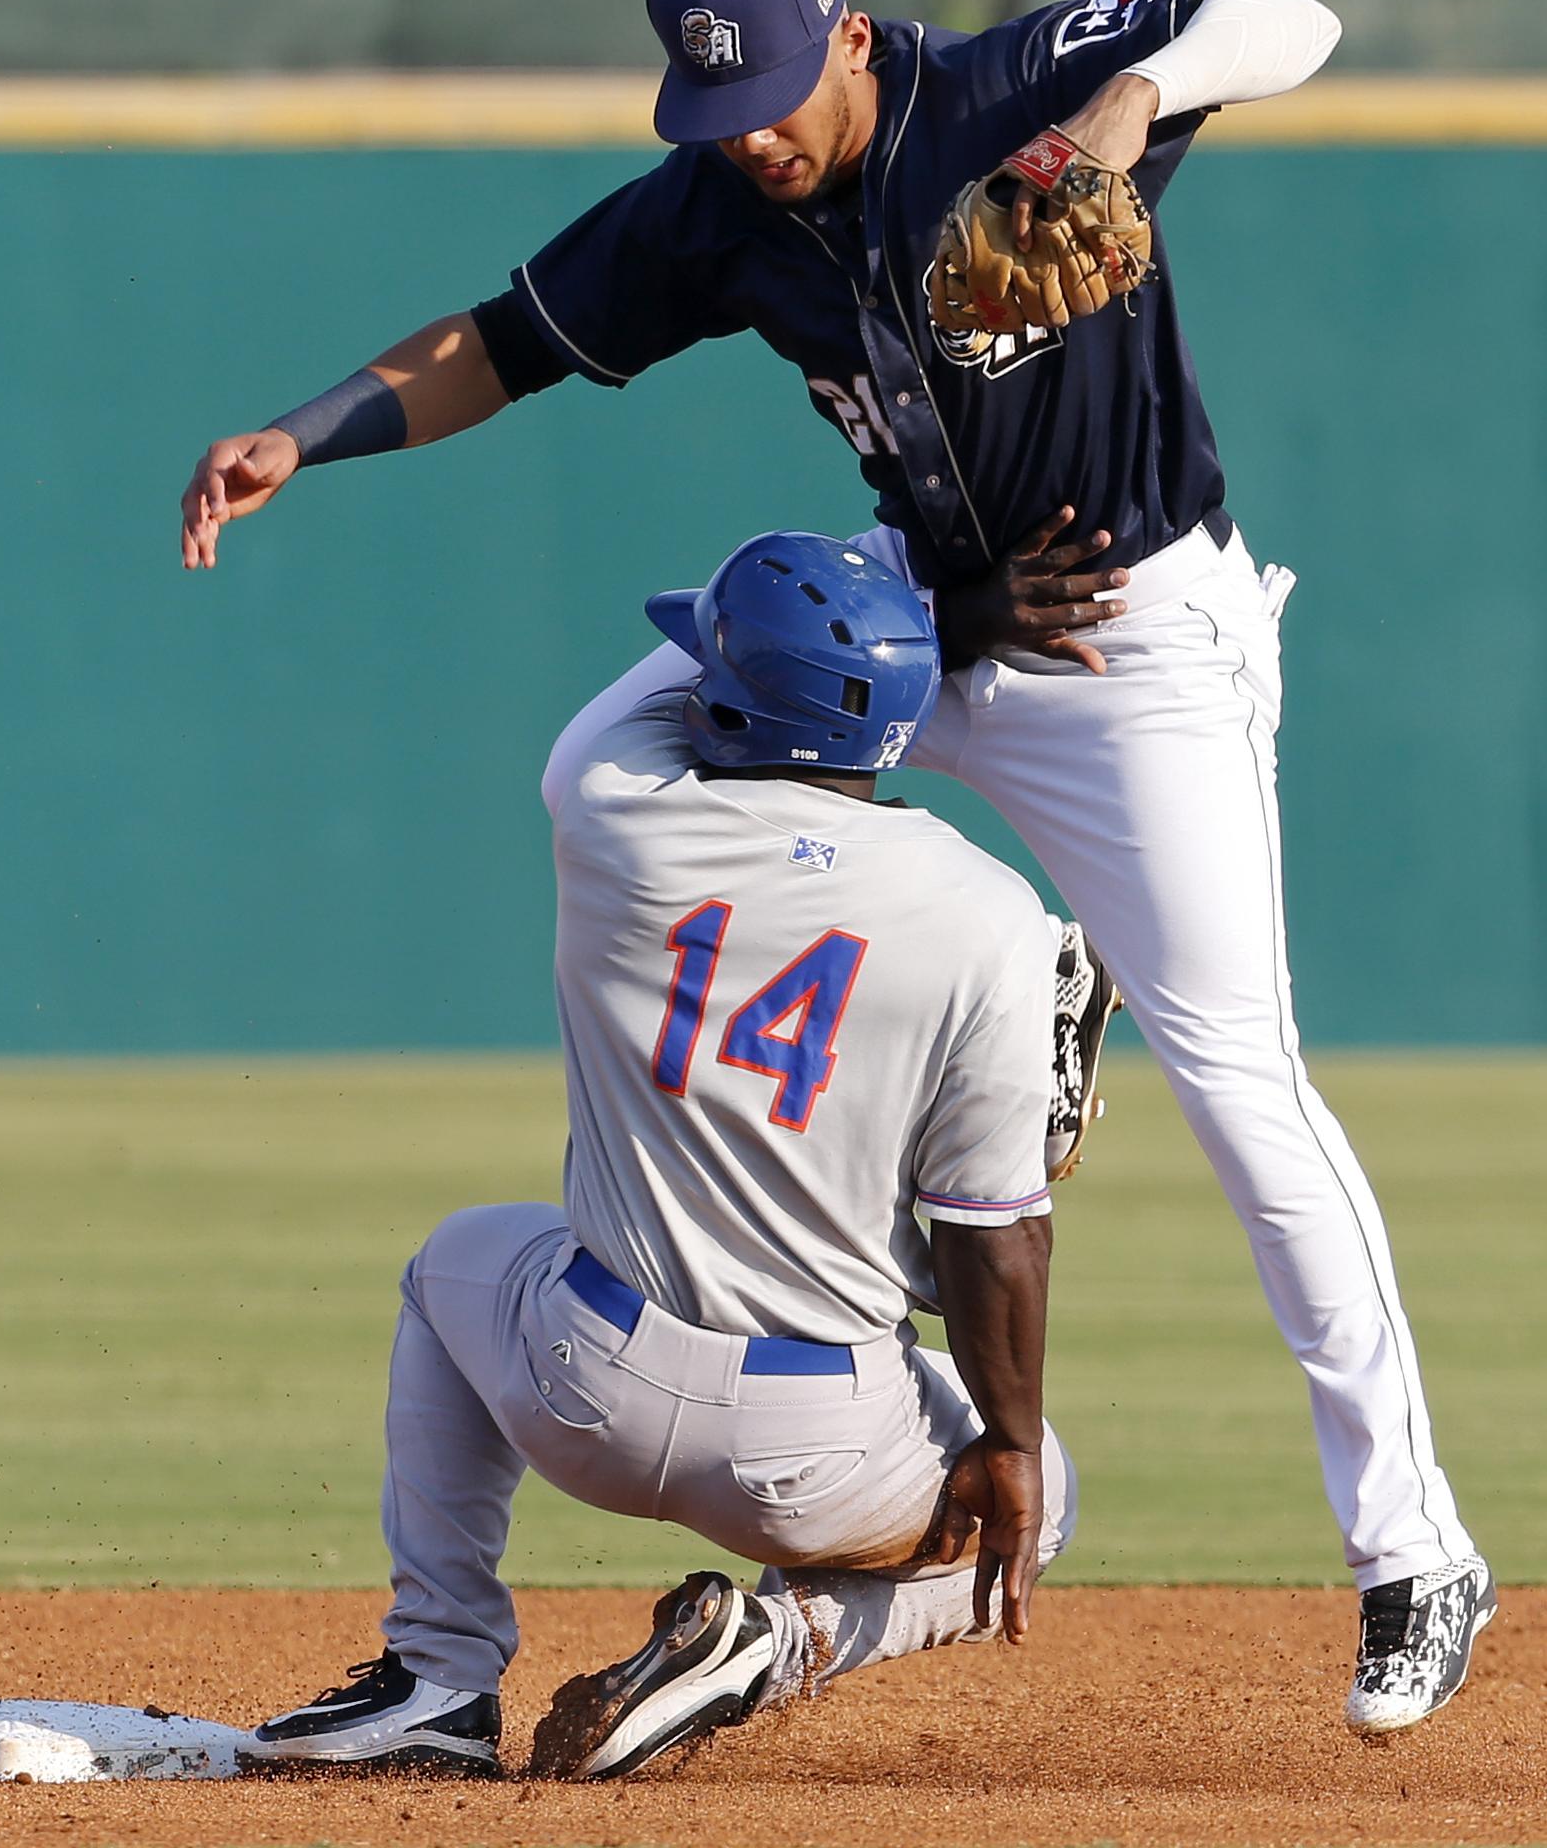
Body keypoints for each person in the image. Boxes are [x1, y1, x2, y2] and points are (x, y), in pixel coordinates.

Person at [181, 0, 1492, 1736]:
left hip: (1123, 637)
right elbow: (507, 339)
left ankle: (1412, 1551)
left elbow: (1291, 15)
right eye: (718, 117)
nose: (753, 140)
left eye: (778, 101)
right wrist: (303, 433)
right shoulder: (715, 208)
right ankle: (980, 1048)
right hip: (919, 617)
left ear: (853, 40)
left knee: (1242, 1083)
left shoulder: (1007, 92)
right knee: (621, 747)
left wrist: (1128, 108)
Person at [241, 532, 1082, 1781]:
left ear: (740, 699)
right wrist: (1004, 1436)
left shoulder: (615, 810)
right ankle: (775, 1641)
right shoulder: (994, 918)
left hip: (582, 1385)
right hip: (822, 1452)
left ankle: (438, 1673)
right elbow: (989, 1231)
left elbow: (662, 689)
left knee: (451, 1261)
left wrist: (912, 573)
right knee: (1041, 1487)